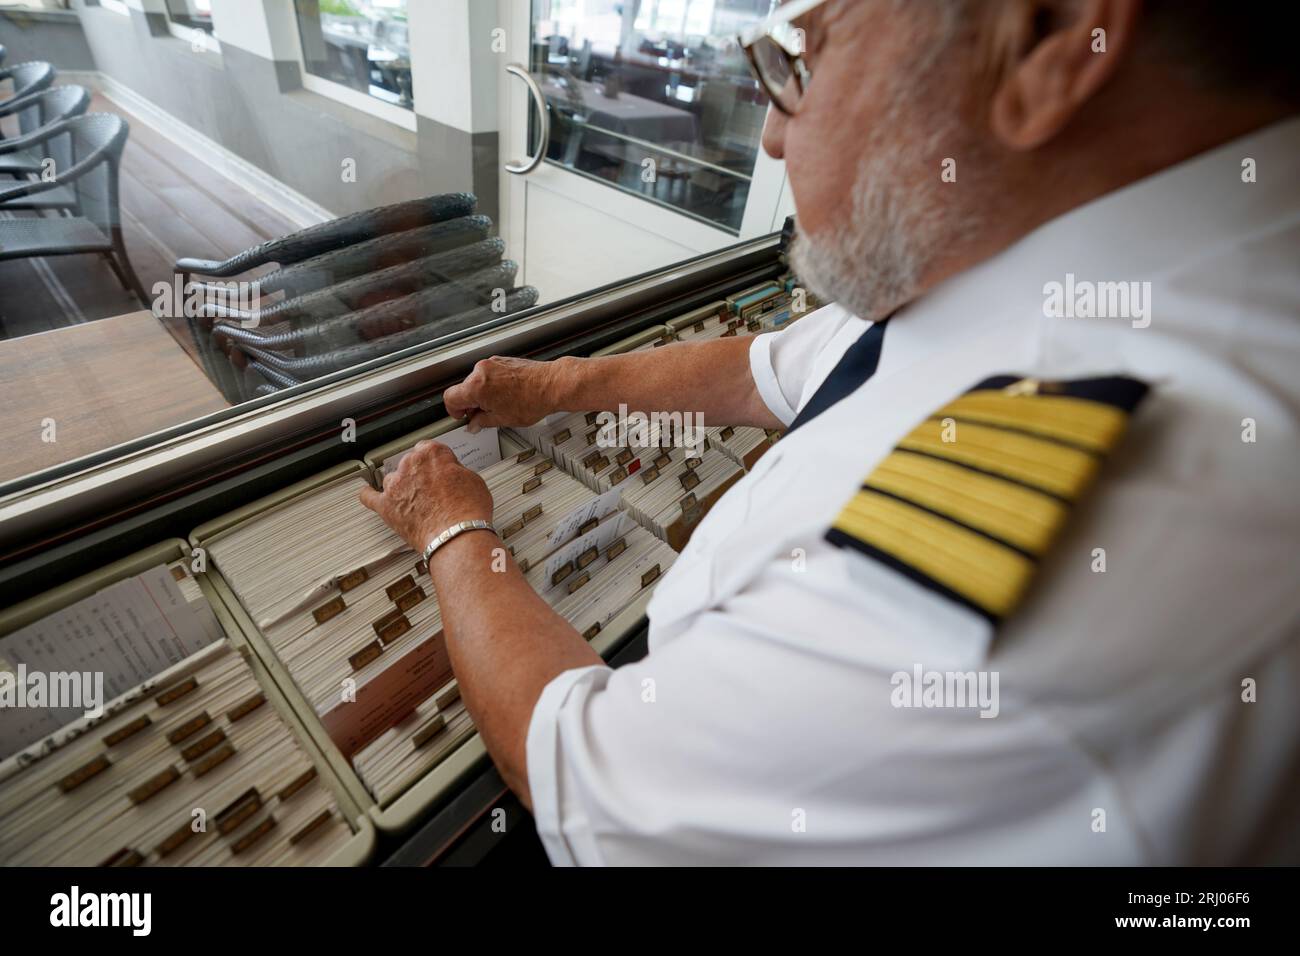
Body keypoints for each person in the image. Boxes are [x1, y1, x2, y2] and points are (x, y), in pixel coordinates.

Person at [360, 0, 1300, 864]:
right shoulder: (1022, 244)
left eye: (806, 57)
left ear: (1047, 38)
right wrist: (562, 383)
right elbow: (773, 367)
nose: (768, 136)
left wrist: (452, 527)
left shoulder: (1126, 507)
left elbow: (577, 772)